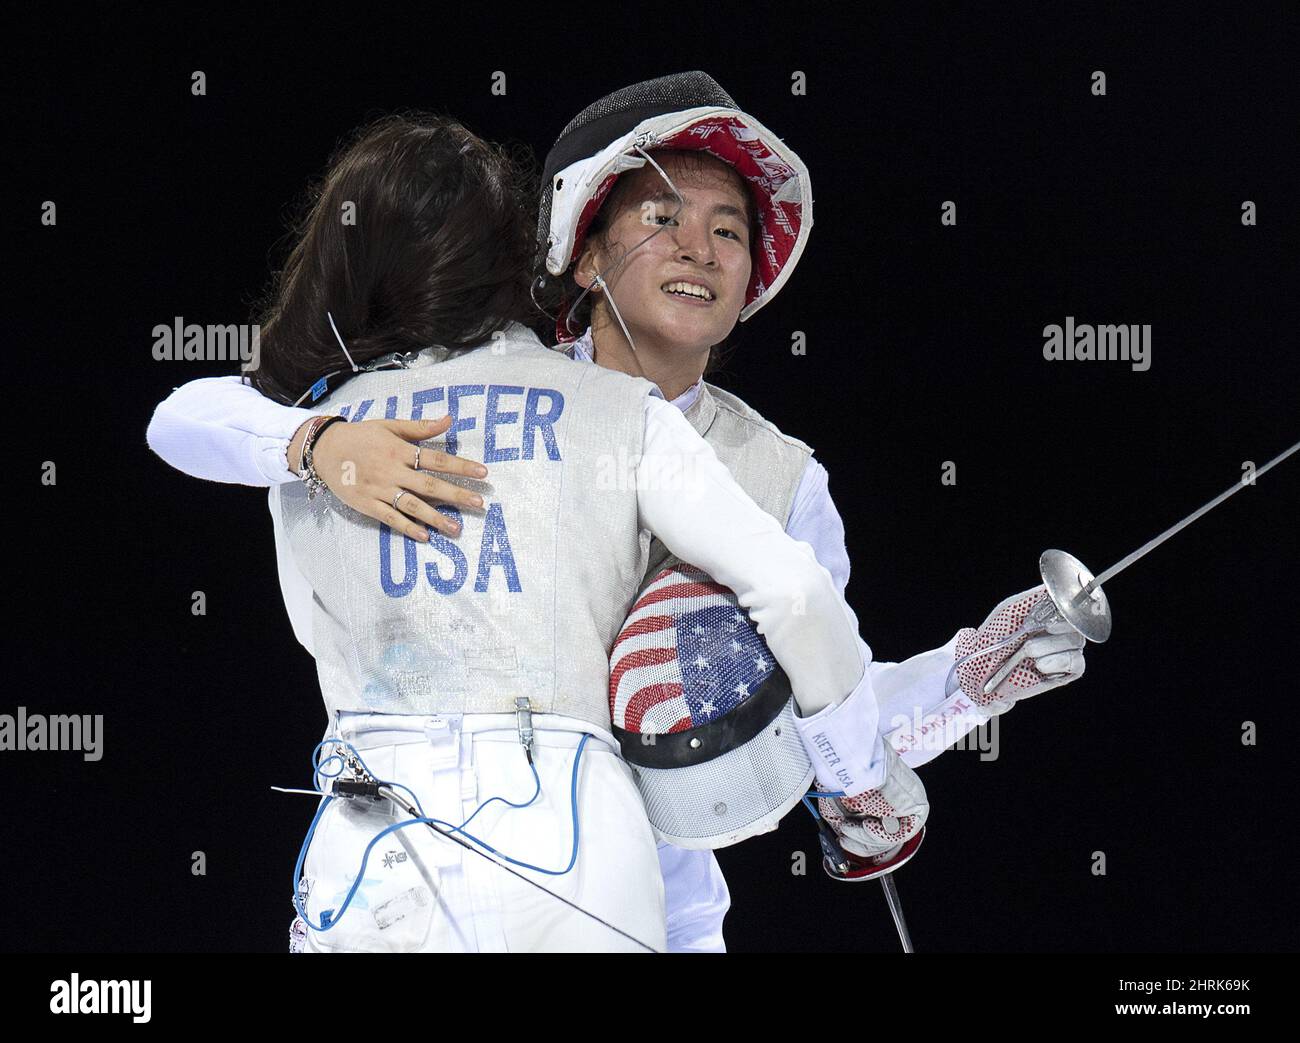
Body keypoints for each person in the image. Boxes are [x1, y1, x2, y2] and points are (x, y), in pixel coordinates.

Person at [147, 73, 1088, 950]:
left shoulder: (784, 480)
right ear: (586, 254)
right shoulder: (506, 386)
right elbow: (197, 412)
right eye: (662, 218)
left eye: (728, 231)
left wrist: (961, 681)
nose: (698, 249)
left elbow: (800, 698)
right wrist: (316, 445)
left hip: (659, 902)